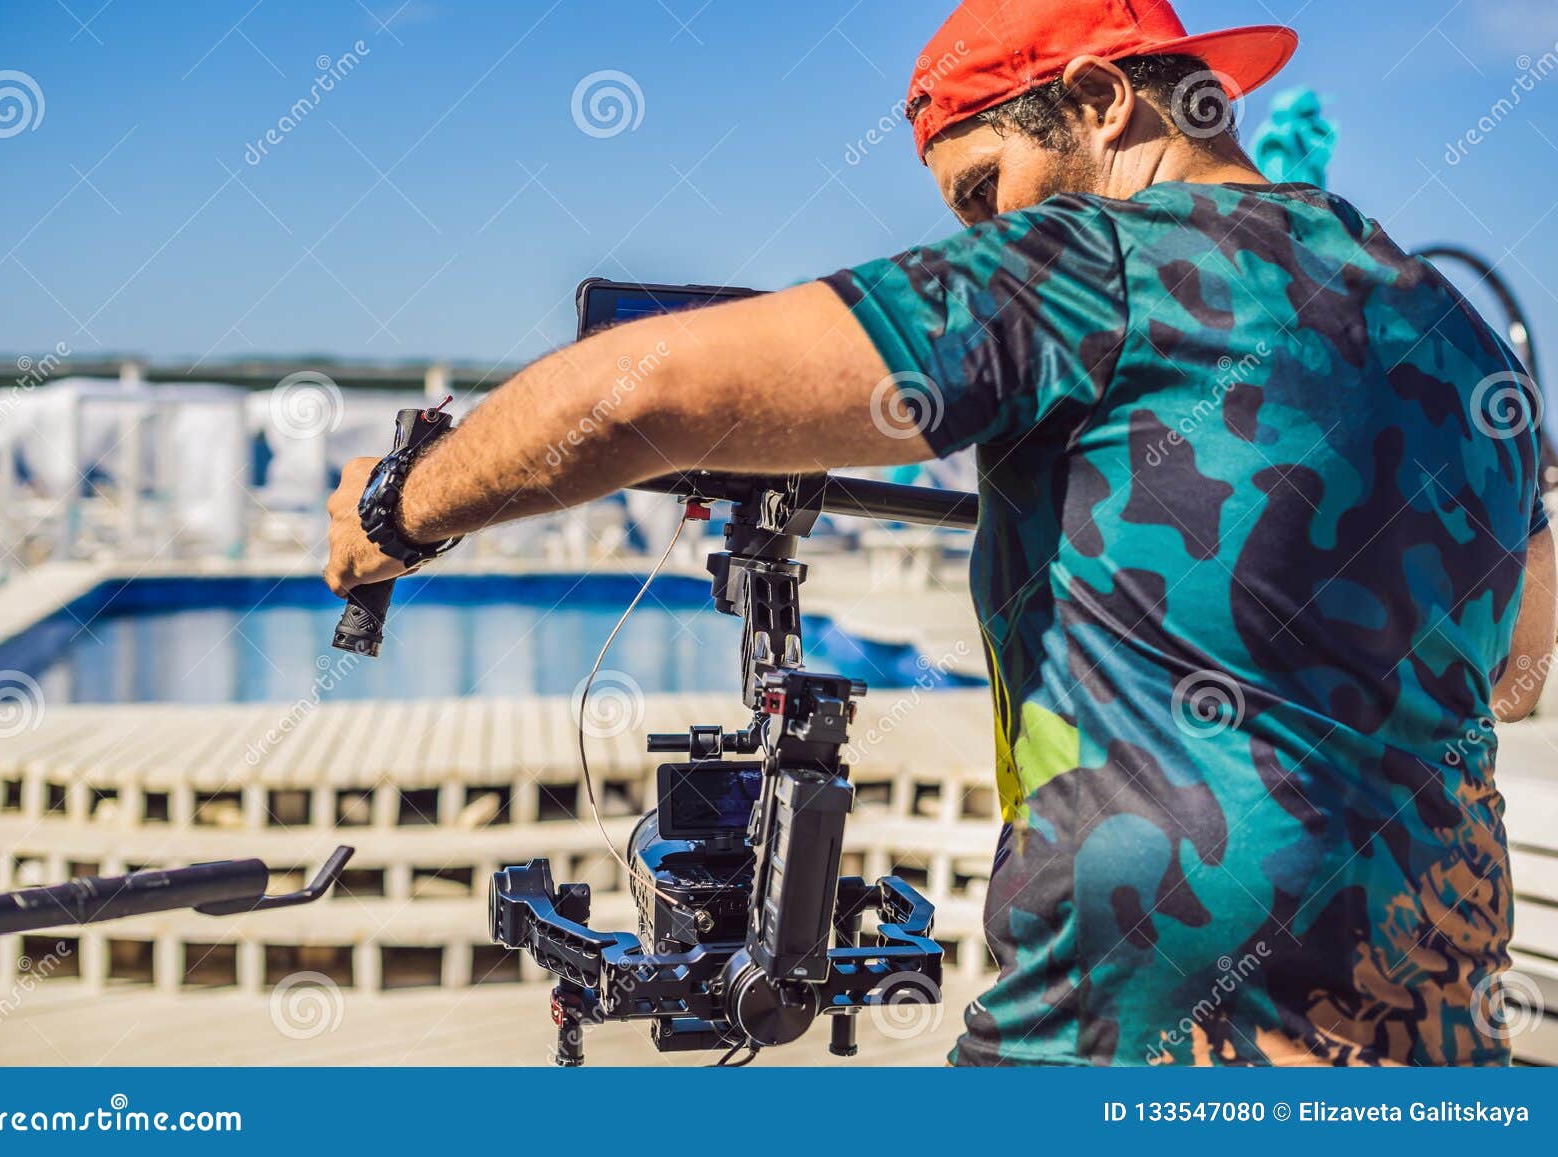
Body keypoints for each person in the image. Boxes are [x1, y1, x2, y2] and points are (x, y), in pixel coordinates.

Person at [325, 0, 1555, 1066]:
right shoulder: (1449, 329)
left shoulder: (1094, 262)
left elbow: (640, 389)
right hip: (1441, 1040)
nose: (980, 239)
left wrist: (395, 509)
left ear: (1097, 102)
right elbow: (1512, 666)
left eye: (983, 191)